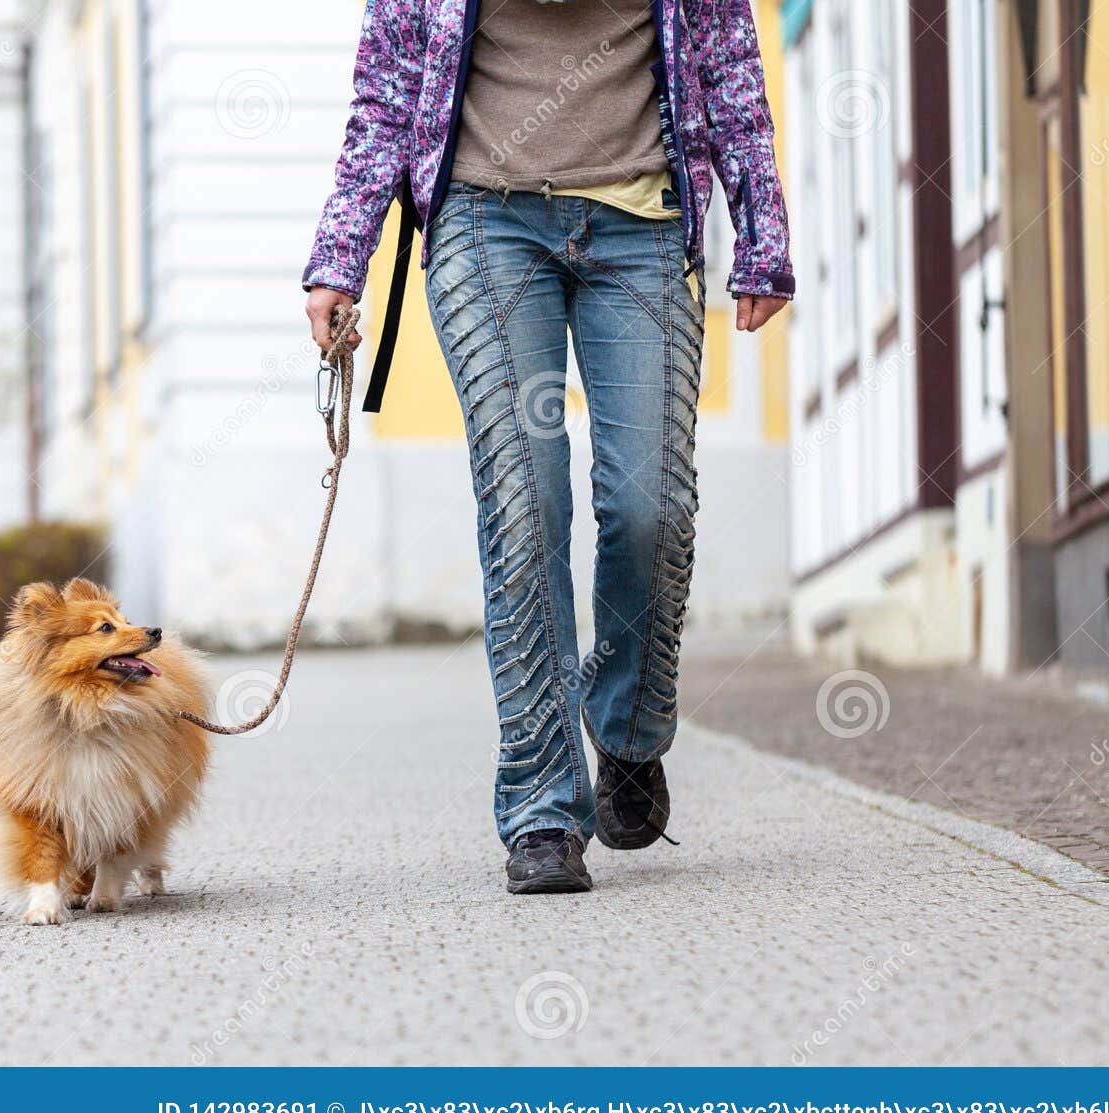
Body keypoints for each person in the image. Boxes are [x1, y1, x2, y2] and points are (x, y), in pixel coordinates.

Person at [303, 0, 793, 894]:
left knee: (653, 507)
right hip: (486, 228)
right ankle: (541, 807)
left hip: (643, 224)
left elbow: (728, 66)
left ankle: (633, 730)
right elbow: (385, 94)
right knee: (524, 498)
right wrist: (341, 254)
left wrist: (762, 234)